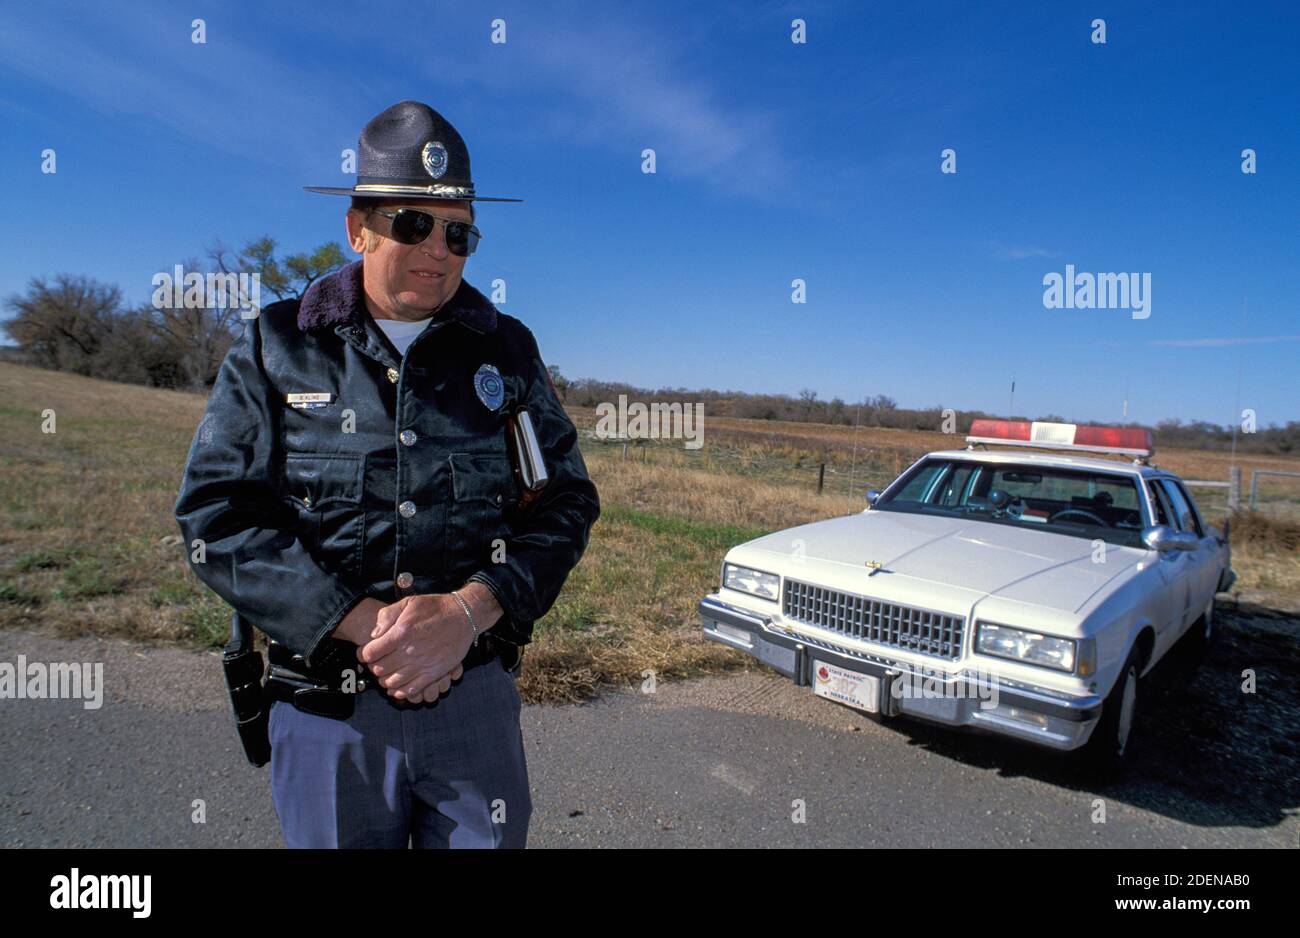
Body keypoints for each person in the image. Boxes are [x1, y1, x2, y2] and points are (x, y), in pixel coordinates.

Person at [174, 100, 600, 848]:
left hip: (473, 707)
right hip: (327, 710)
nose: (437, 248)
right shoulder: (277, 347)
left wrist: (467, 613)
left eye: (459, 233)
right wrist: (380, 631)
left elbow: (563, 504)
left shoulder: (506, 353)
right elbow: (217, 516)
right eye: (413, 223)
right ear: (357, 227)